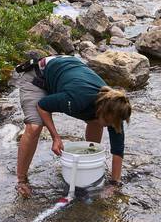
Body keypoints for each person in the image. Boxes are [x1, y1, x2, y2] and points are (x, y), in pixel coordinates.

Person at [13, 52, 131, 198]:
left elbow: (118, 150)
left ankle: (88, 157)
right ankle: (21, 180)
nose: (110, 126)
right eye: (108, 122)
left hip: (65, 72)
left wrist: (114, 184)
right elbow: (43, 106)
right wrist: (55, 137)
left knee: (96, 122)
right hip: (37, 76)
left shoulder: (114, 109)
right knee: (35, 126)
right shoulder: (78, 99)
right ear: (102, 109)